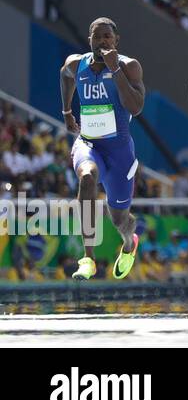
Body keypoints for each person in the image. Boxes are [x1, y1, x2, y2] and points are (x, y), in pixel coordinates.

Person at [59, 17, 146, 280]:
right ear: (90, 40)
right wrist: (66, 111)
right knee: (87, 177)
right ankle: (88, 258)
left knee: (120, 219)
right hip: (89, 144)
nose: (103, 42)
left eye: (107, 37)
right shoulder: (77, 63)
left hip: (119, 153)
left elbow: (136, 107)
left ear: (116, 41)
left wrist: (115, 70)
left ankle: (129, 243)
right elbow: (64, 75)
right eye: (97, 37)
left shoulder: (129, 67)